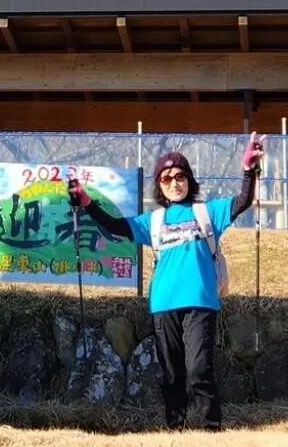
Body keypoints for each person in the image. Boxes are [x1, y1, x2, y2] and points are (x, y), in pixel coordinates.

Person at [67, 133, 263, 431]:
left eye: (180, 176)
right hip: (163, 303)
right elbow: (116, 226)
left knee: (199, 369)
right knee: (171, 373)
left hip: (201, 302)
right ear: (159, 185)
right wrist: (87, 203)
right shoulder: (154, 221)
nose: (174, 182)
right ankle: (175, 428)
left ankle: (211, 429)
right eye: (166, 178)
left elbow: (243, 201)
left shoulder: (207, 212)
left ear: (190, 180)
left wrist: (249, 170)